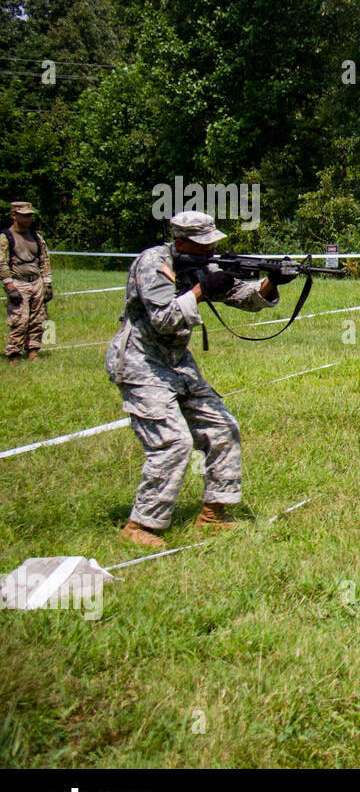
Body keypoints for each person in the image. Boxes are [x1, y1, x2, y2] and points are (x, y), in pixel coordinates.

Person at [106, 211, 293, 548]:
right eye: (203, 246)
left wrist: (272, 280)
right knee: (173, 442)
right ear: (180, 242)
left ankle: (214, 515)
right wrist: (199, 291)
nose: (210, 252)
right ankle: (140, 526)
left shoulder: (202, 266)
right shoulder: (154, 263)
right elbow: (163, 318)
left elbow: (246, 298)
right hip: (141, 362)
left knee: (223, 427)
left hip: (178, 361)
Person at [2, 201, 53, 363]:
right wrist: (9, 286)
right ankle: (14, 354)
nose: (28, 218)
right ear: (14, 215)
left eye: (30, 215)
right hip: (18, 282)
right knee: (19, 320)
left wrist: (47, 283)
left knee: (38, 318)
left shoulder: (36, 237)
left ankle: (33, 351)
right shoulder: (6, 238)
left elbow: (44, 259)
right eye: (24, 216)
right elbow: (1, 263)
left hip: (36, 282)